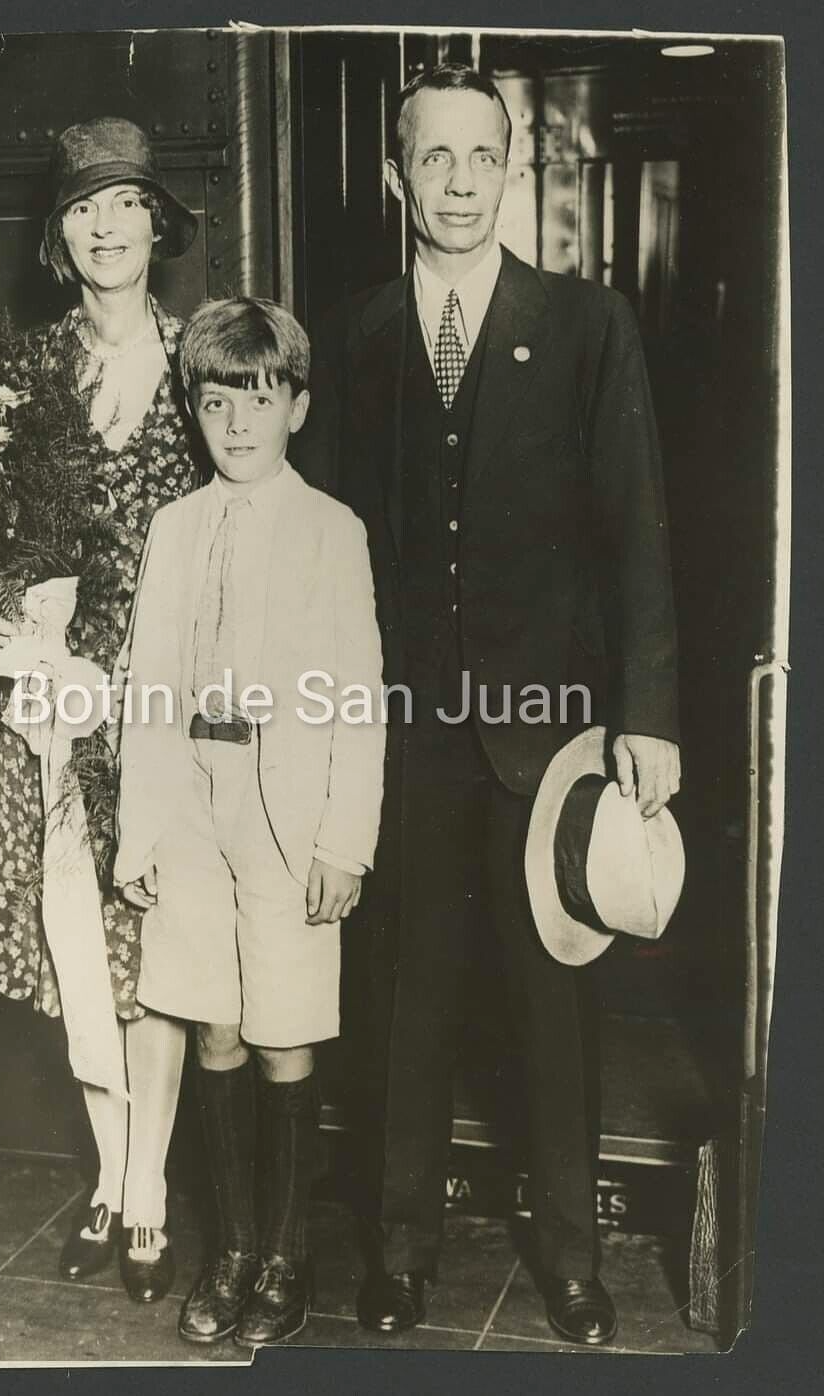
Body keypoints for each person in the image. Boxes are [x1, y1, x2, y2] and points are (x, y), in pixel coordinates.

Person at [294, 65, 681, 1346]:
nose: (459, 182)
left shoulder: (586, 327)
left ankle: (573, 1261)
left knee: (552, 1002)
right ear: (398, 176)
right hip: (403, 736)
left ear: (513, 169)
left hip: (552, 733)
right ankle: (398, 1255)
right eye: (435, 159)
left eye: (482, 156)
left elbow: (637, 536)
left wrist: (650, 714)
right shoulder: (350, 338)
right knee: (407, 995)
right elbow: (328, 548)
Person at [0, 117, 204, 1304]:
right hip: (55, 708)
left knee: (158, 954)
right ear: (61, 233)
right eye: (84, 207)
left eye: (126, 203)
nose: (106, 227)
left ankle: (149, 1192)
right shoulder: (23, 374)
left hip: (166, 706)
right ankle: (108, 1177)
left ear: (159, 221)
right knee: (80, 951)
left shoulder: (206, 359)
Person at [112, 298, 385, 1346]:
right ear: (196, 412)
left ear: (297, 409)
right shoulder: (173, 529)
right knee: (215, 1028)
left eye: (258, 401)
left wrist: (341, 844)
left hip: (289, 812)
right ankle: (230, 1246)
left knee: (281, 1034)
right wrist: (141, 832)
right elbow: (146, 690)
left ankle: (285, 1251)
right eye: (216, 402)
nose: (236, 424)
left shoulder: (331, 530)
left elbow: (356, 698)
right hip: (190, 805)